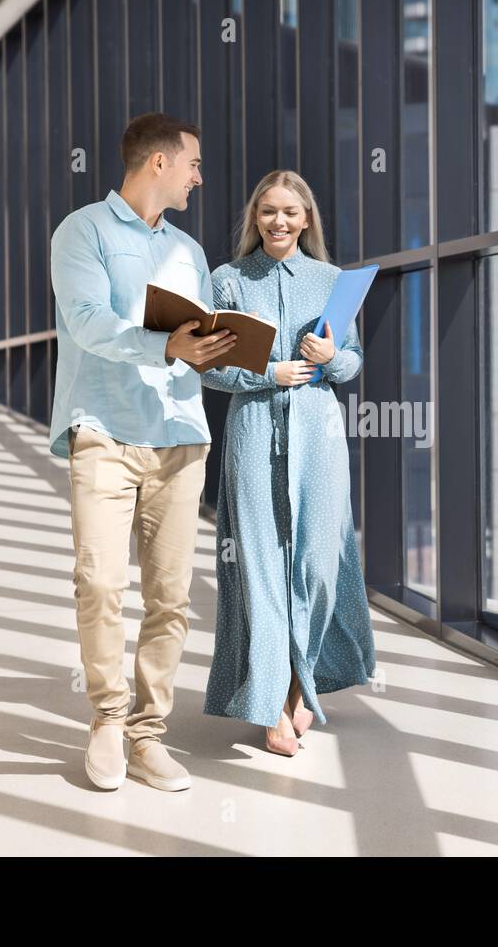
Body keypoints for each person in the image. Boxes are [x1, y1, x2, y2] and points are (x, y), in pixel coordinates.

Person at [49, 112, 236, 792]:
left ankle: (148, 734)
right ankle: (106, 718)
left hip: (180, 436)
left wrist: (233, 352)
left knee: (171, 597)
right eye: (192, 163)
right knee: (100, 581)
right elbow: (88, 321)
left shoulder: (189, 250)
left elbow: (201, 344)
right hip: (102, 429)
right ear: (159, 162)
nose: (198, 176)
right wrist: (166, 345)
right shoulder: (83, 232)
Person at [200, 170, 375, 756]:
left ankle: (305, 680)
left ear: (306, 220)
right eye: (268, 211)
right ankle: (274, 700)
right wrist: (265, 373)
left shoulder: (331, 282)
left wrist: (329, 359)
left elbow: (352, 363)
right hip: (253, 435)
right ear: (255, 216)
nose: (279, 221)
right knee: (260, 569)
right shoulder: (228, 281)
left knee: (321, 563)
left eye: (290, 212)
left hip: (319, 440)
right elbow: (210, 366)